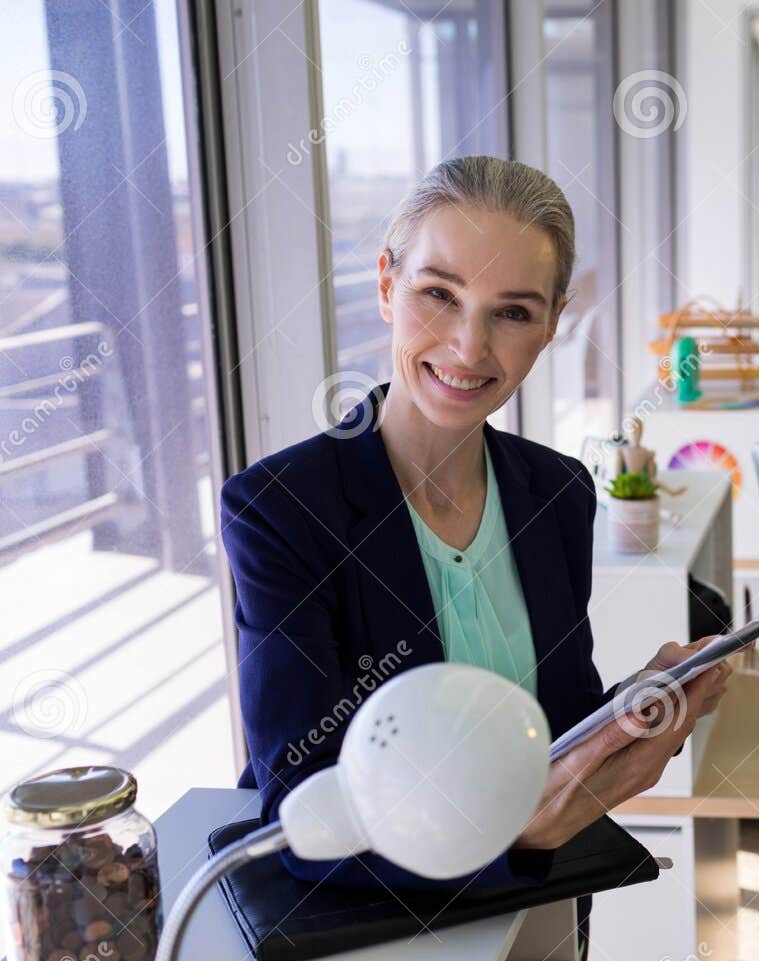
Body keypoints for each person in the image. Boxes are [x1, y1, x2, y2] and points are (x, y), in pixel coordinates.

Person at [219, 155, 728, 891]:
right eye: (439, 294)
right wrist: (517, 834)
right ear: (388, 285)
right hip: (386, 942)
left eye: (513, 312)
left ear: (552, 323)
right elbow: (301, 818)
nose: (468, 347)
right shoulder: (281, 510)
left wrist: (631, 712)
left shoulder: (556, 492)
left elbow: (549, 726)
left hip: (542, 910)